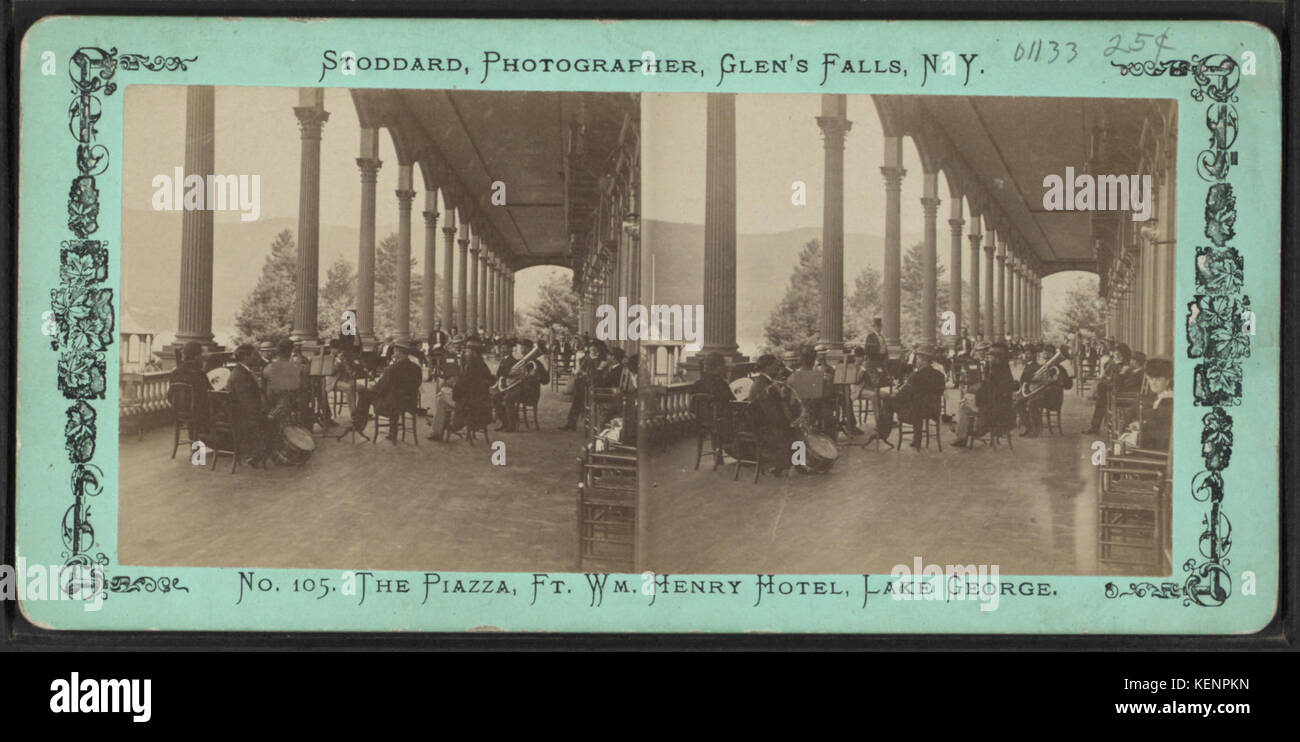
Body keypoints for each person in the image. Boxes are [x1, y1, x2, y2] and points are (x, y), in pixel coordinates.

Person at [876, 345, 947, 450]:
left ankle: (882, 433)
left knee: (888, 401)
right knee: (916, 401)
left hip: (915, 412)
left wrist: (894, 394)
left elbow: (903, 396)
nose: (916, 361)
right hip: (932, 410)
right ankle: (916, 439)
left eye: (918, 358)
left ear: (923, 360)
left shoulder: (916, 376)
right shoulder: (939, 375)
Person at [350, 341, 422, 442]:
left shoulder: (392, 369)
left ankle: (358, 425)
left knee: (364, 393)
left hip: (391, 406)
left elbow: (379, 388)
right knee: (394, 395)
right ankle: (392, 433)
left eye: (395, 352)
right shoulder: (416, 368)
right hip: (409, 404)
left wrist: (372, 387)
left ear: (400, 353)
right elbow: (416, 384)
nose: (393, 354)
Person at [745, 354, 804, 475]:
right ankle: (796, 465)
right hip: (765, 427)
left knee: (796, 426)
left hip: (764, 423)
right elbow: (771, 413)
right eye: (776, 366)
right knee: (798, 431)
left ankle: (788, 464)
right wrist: (790, 422)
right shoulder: (763, 384)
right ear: (768, 367)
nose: (778, 368)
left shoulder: (763, 381)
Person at [228, 344, 270, 467]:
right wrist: (265, 412)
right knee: (274, 419)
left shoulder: (241, 370)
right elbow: (248, 404)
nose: (257, 357)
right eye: (254, 354)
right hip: (243, 417)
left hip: (243, 412)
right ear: (245, 356)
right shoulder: (241, 375)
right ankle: (259, 454)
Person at [168, 340, 213, 439]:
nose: (202, 357)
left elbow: (169, 396)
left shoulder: (175, 372)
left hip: (180, 412)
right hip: (198, 413)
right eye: (201, 354)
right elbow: (209, 393)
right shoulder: (199, 373)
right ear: (196, 356)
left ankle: (195, 440)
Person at [451, 341, 494, 437]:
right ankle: (449, 423)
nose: (465, 353)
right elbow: (491, 379)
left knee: (442, 398)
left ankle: (451, 425)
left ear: (473, 352)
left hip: (470, 401)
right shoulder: (482, 364)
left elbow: (462, 386)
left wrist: (455, 386)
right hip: (481, 400)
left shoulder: (471, 366)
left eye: (467, 351)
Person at [263, 338, 309, 426]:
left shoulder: (268, 367)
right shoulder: (295, 368)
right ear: (290, 351)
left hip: (270, 399)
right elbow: (302, 387)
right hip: (286, 403)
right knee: (302, 396)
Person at [786, 347, 828, 435]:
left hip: (798, 414)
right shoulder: (821, 377)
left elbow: (788, 399)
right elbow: (825, 396)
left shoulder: (792, 378)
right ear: (814, 360)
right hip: (816, 414)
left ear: (801, 360)